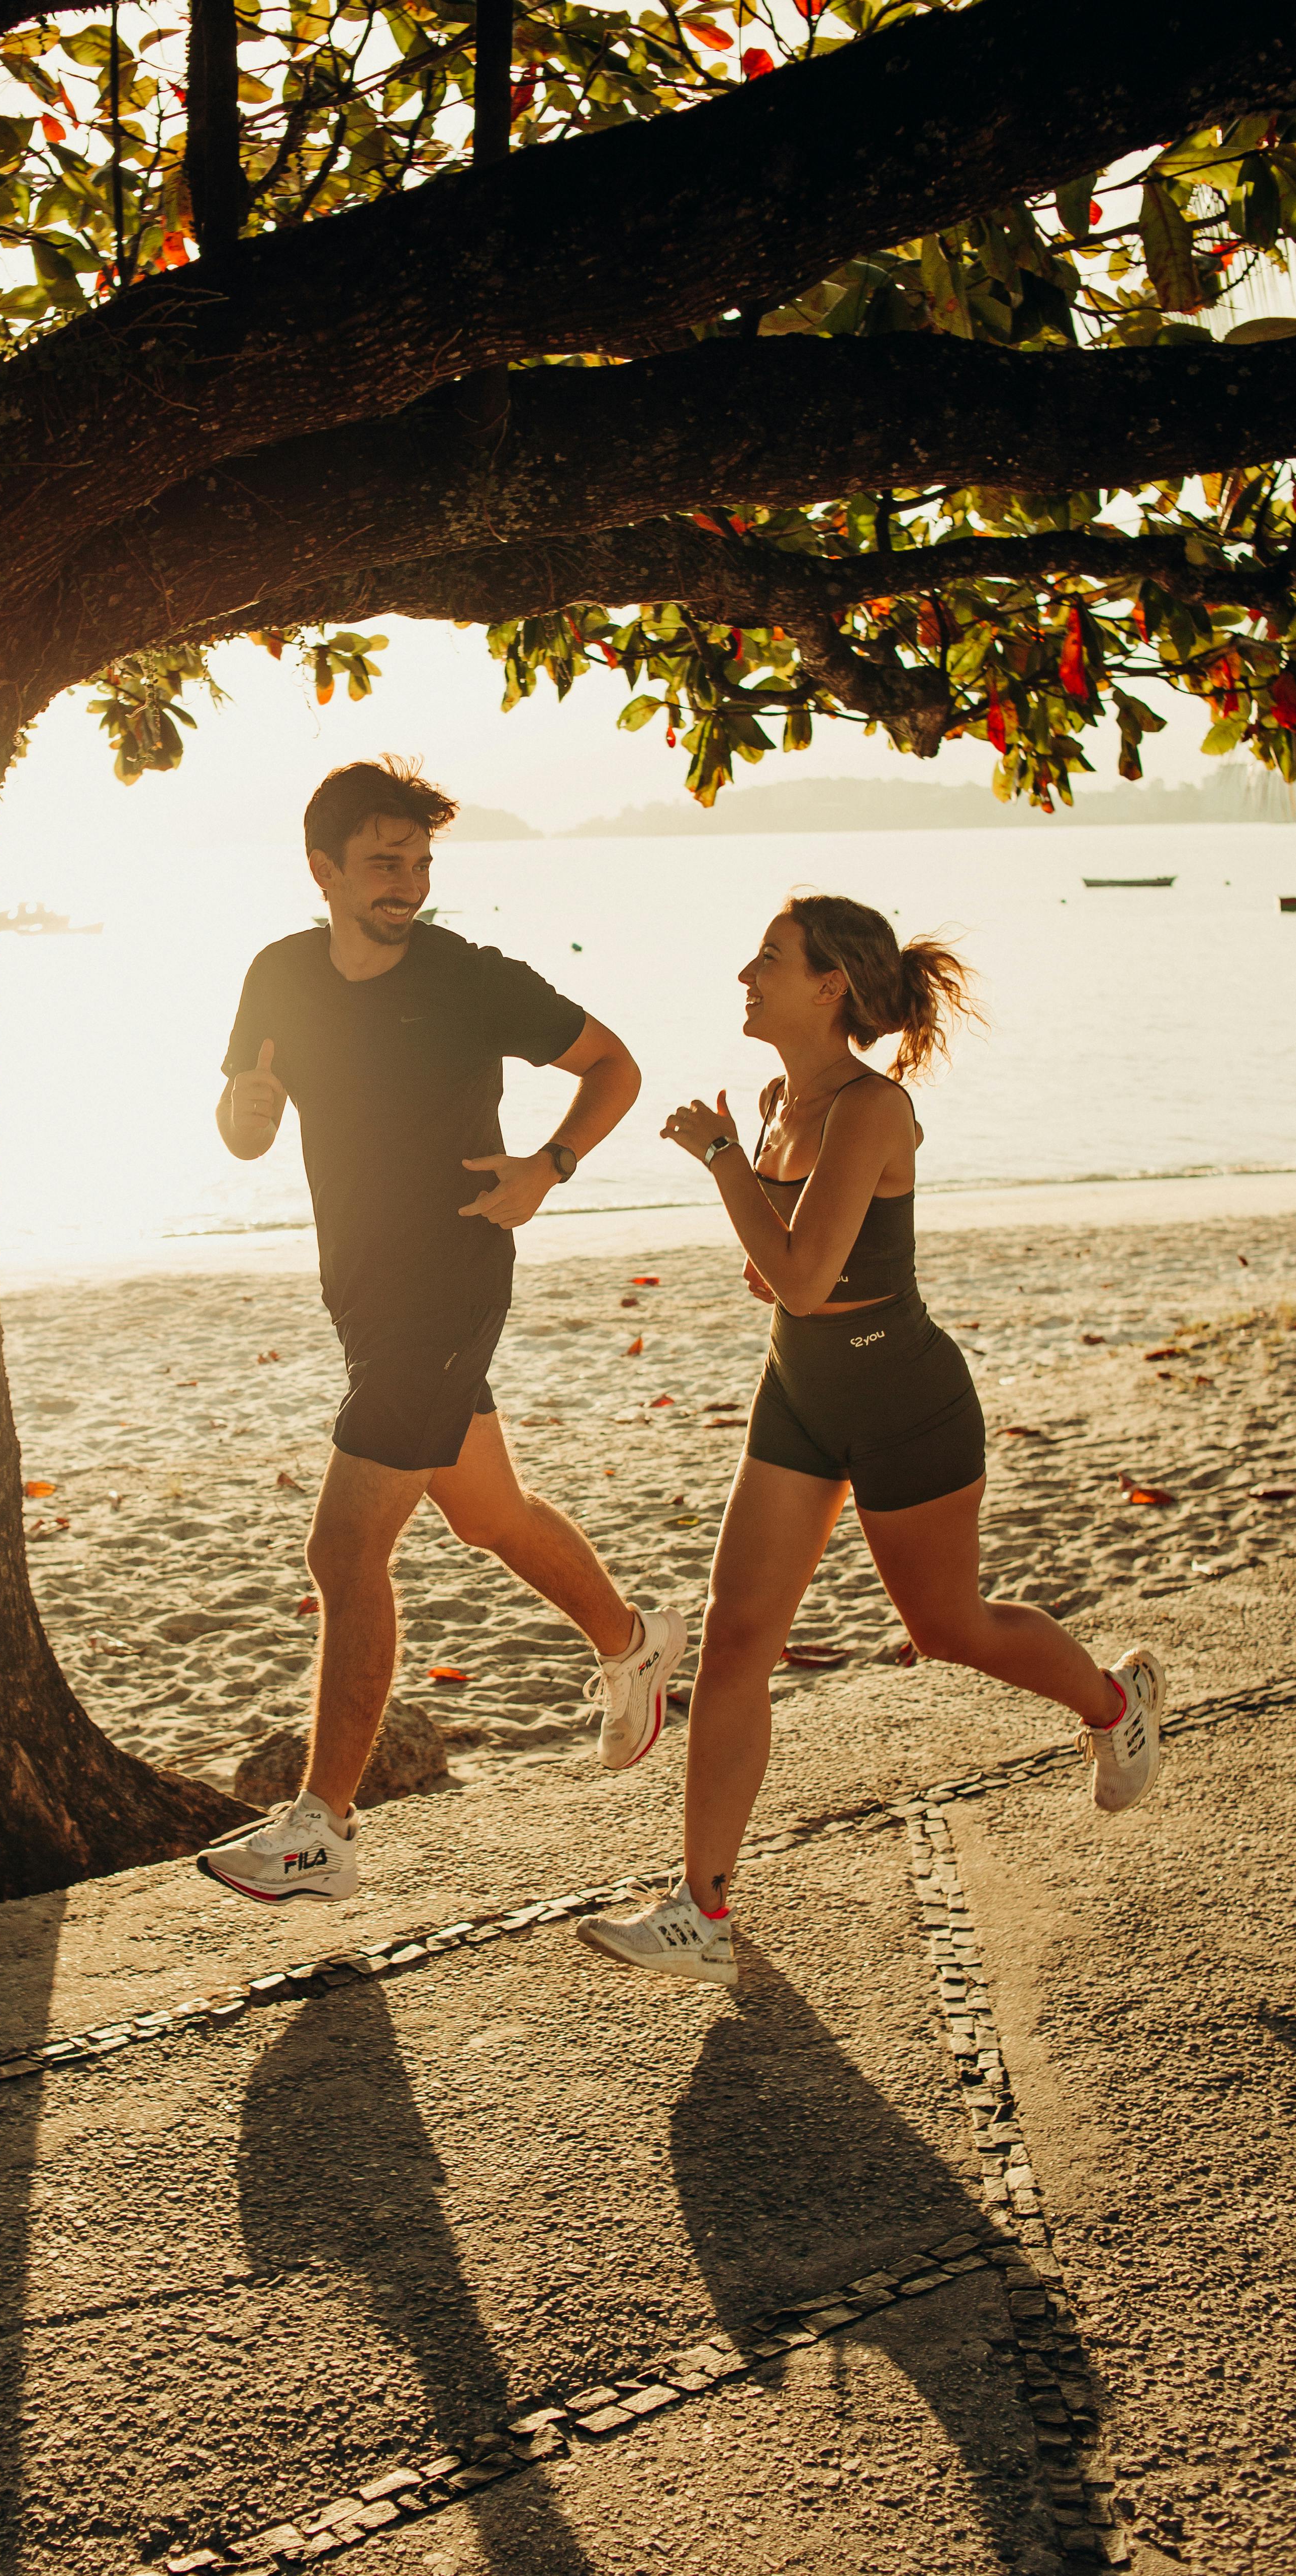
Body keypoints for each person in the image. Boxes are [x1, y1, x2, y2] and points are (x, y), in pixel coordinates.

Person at [576, 892, 1166, 1987]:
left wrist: (722, 1162)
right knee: (736, 1639)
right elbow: (786, 1275)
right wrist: (751, 1186)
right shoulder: (775, 1102)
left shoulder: (872, 1109)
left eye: (768, 958)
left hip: (903, 1399)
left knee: (948, 1627)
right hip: (799, 1396)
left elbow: (805, 1276)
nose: (745, 974)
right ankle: (702, 1909)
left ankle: (1115, 1703)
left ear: (828, 986)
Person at [197, 757, 687, 1906]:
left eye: (419, 863)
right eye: (384, 863)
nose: (408, 885)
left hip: (450, 1282)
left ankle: (322, 1828)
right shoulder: (277, 975)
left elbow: (613, 1065)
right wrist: (243, 1116)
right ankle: (634, 1642)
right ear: (323, 870)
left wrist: (549, 1166)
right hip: (363, 1295)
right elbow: (244, 1126)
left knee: (343, 1552)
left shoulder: (471, 979)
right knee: (486, 1512)